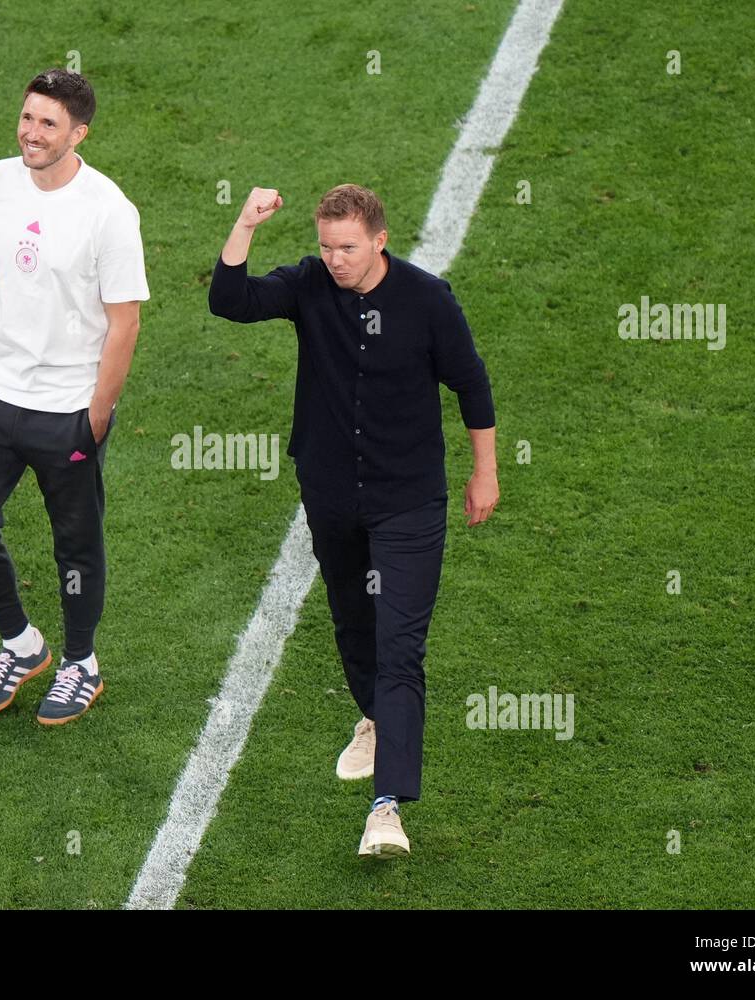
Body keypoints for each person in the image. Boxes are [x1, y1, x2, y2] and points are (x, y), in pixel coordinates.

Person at [208, 184, 499, 857]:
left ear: (379, 240)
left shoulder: (429, 300)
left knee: (401, 645)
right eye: (326, 247)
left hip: (409, 501)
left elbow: (472, 384)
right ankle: (372, 716)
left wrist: (485, 471)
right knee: (352, 617)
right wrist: (245, 224)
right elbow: (231, 301)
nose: (334, 260)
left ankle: (387, 806)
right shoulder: (310, 284)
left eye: (347, 248)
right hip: (333, 493)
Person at [0, 68, 148, 725]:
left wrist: (96, 413)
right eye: (28, 118)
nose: (32, 133)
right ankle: (21, 644)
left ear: (78, 133)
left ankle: (80, 664)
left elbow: (125, 321)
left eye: (48, 124)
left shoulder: (108, 212)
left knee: (75, 543)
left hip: (66, 407)